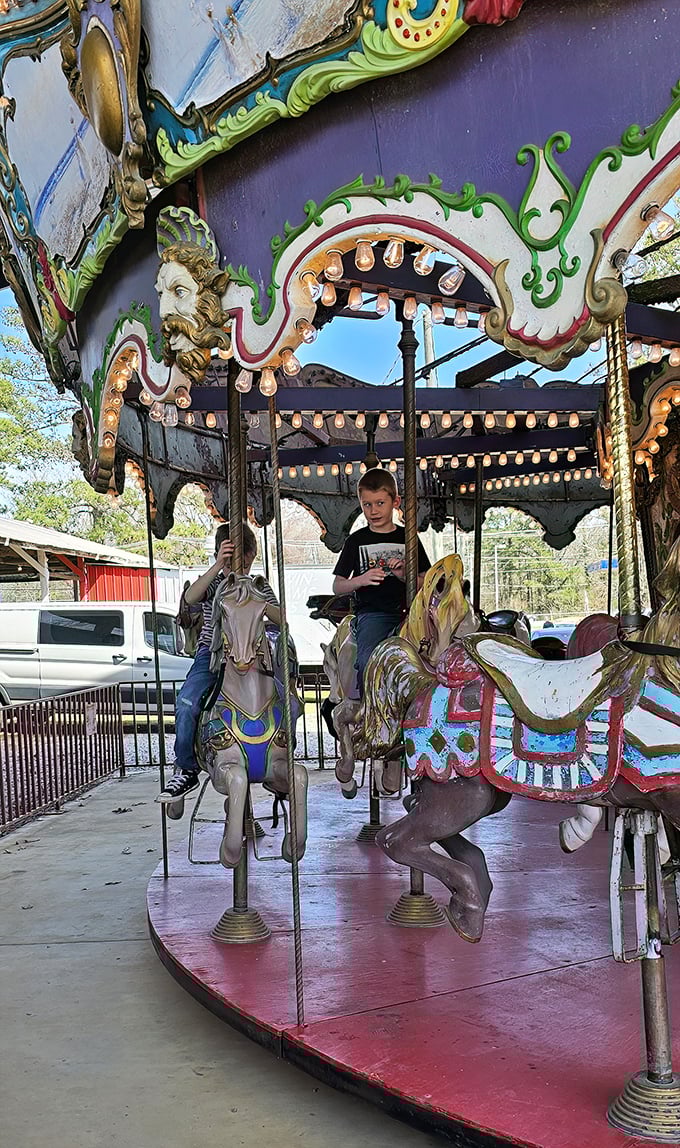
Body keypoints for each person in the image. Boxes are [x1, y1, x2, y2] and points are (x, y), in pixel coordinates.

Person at [157, 522, 280, 802]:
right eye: (232, 560)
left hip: (252, 657)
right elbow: (190, 598)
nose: (240, 568)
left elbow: (280, 618)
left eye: (245, 562)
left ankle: (281, 753)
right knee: (187, 702)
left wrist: (256, 600)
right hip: (213, 656)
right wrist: (217, 568)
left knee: (287, 699)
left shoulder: (258, 586)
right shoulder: (213, 583)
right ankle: (186, 767)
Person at [332, 468, 430, 695]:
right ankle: (369, 708)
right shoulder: (356, 541)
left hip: (412, 612)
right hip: (375, 613)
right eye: (367, 505)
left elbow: (427, 580)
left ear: (395, 502)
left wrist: (405, 575)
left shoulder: (408, 538)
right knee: (369, 659)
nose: (373, 511)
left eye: (379, 503)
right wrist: (361, 579)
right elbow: (338, 586)